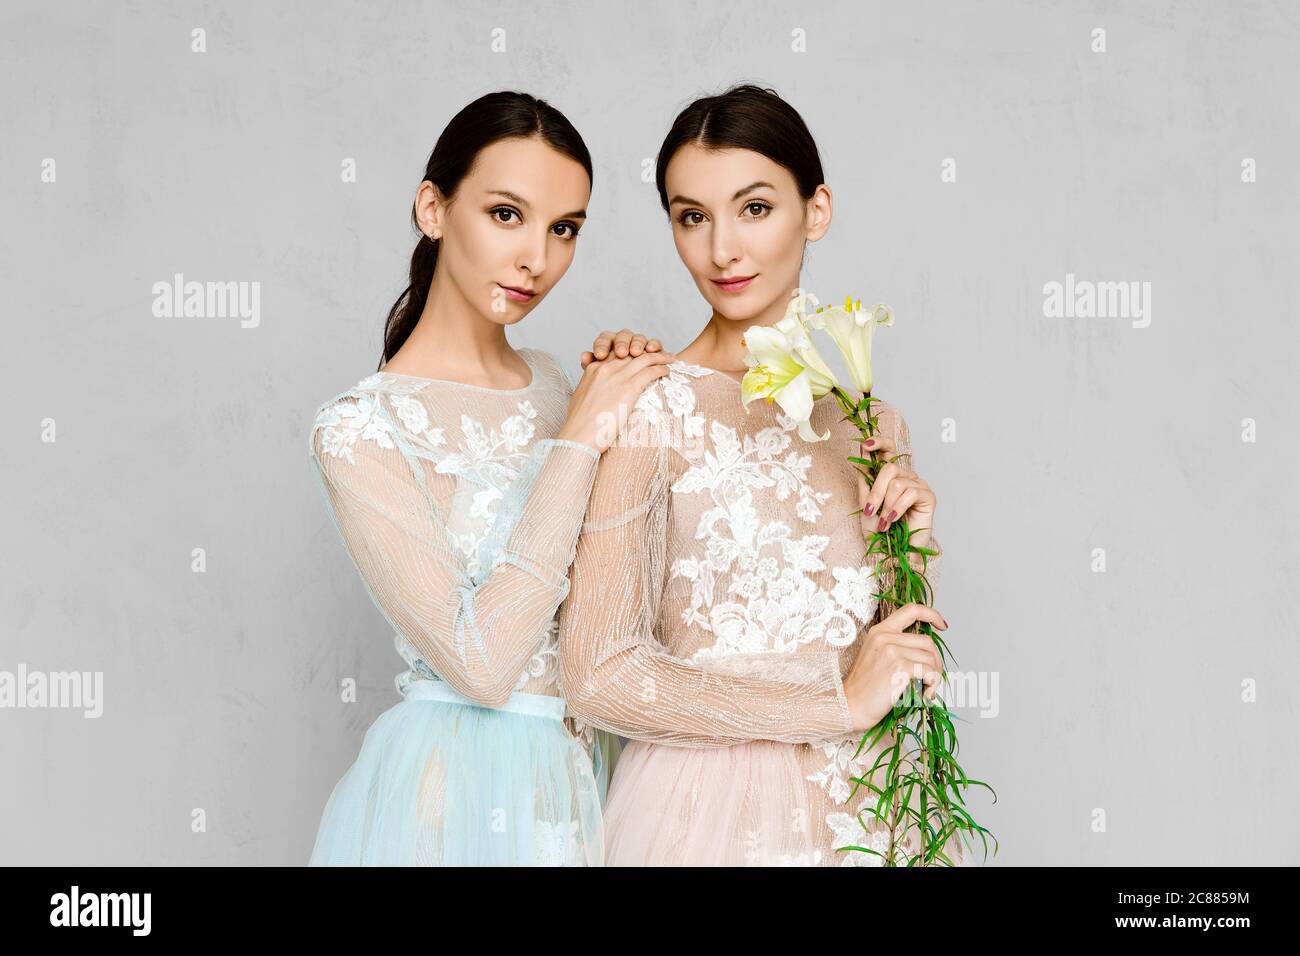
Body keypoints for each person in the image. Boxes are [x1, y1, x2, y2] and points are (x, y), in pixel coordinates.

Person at [558, 84, 964, 866]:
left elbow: (894, 663)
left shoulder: (873, 423)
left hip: (867, 802)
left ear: (817, 210)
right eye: (692, 217)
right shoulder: (650, 404)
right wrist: (830, 703)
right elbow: (599, 674)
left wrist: (915, 551)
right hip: (703, 814)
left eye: (754, 208)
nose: (721, 252)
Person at [306, 90, 672, 865]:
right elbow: (482, 662)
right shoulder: (359, 431)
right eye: (507, 213)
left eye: (563, 228)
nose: (537, 257)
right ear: (432, 208)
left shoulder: (556, 383)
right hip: (457, 798)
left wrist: (636, 409)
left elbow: (630, 601)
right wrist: (579, 440)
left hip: (589, 778)